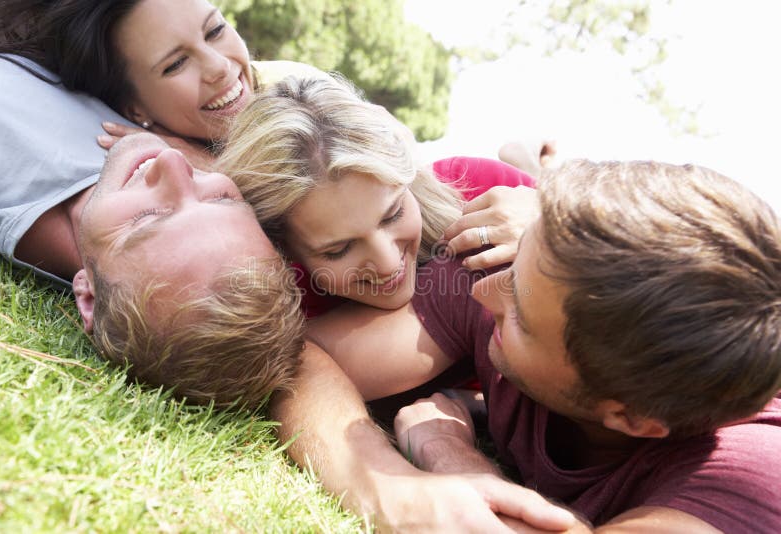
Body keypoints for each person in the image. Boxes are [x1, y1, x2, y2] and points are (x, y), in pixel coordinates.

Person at [306, 160, 781, 532]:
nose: (483, 294)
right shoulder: (529, 277)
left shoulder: (752, 471)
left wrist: (450, 453)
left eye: (522, 321)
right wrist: (372, 473)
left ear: (634, 419)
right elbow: (292, 359)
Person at [220, 75, 537, 313]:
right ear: (283, 247)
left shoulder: (483, 187)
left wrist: (549, 224)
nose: (386, 264)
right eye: (339, 250)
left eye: (394, 213)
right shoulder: (292, 303)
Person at [0, 0, 325, 156]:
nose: (219, 66)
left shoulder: (308, 94)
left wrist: (213, 169)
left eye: (215, 30)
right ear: (134, 110)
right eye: (175, 64)